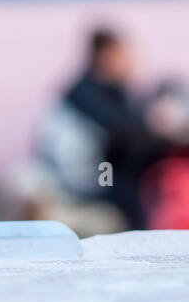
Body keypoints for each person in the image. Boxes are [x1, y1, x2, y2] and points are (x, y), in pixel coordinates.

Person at [60, 28, 163, 229]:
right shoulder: (85, 92)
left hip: (99, 165)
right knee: (126, 189)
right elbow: (122, 131)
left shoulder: (108, 88)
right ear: (105, 56)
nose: (129, 61)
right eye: (122, 54)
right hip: (85, 176)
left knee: (140, 174)